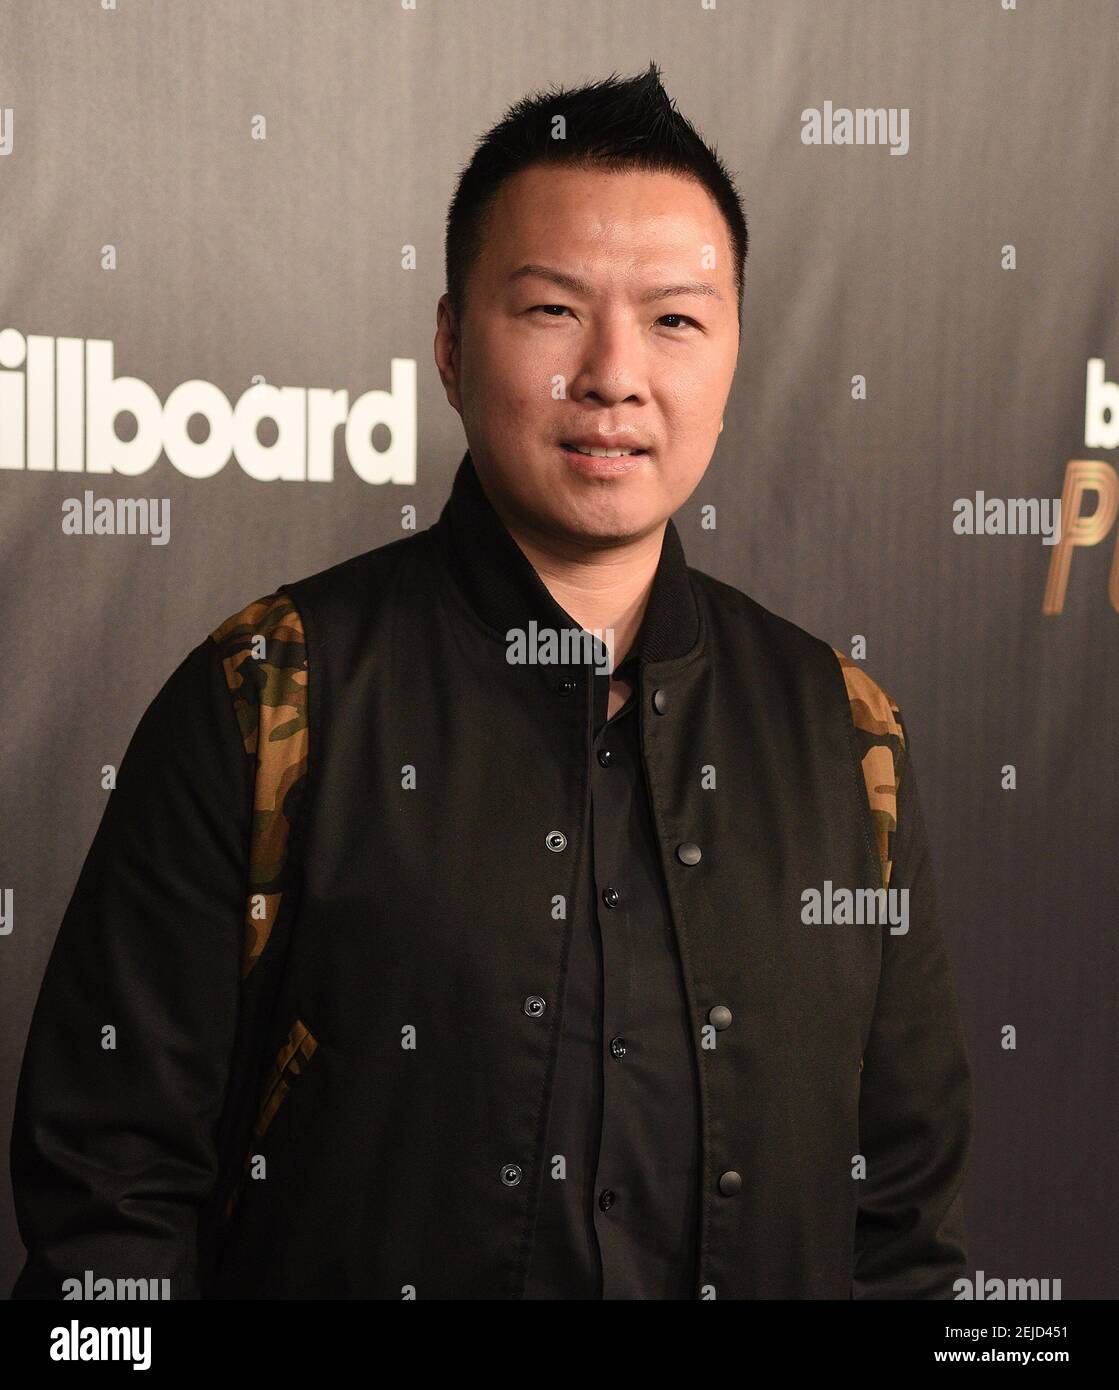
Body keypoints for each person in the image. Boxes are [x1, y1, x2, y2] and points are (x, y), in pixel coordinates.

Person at [9, 62, 973, 1300]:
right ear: (452, 346)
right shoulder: (268, 695)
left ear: (734, 361)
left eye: (677, 318)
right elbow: (109, 1208)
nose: (616, 373)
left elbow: (904, 1234)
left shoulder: (846, 735)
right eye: (555, 310)